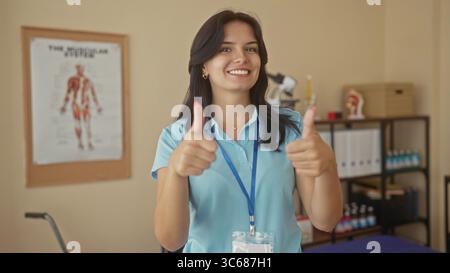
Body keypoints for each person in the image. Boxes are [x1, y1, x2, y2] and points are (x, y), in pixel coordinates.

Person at [151, 10, 342, 253]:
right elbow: (170, 240)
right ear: (204, 66)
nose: (241, 57)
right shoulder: (176, 137)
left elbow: (326, 221)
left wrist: (328, 165)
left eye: (251, 49)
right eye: (225, 49)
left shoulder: (290, 127)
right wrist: (177, 172)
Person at [60, 64, 102, 150]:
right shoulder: (72, 79)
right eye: (79, 68)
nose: (81, 70)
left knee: (87, 124)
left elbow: (93, 94)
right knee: (77, 124)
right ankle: (80, 142)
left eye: (82, 68)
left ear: (84, 69)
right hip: (76, 104)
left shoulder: (88, 80)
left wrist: (97, 106)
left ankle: (89, 142)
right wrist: (64, 105)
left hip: (85, 104)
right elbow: (68, 93)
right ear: (76, 69)